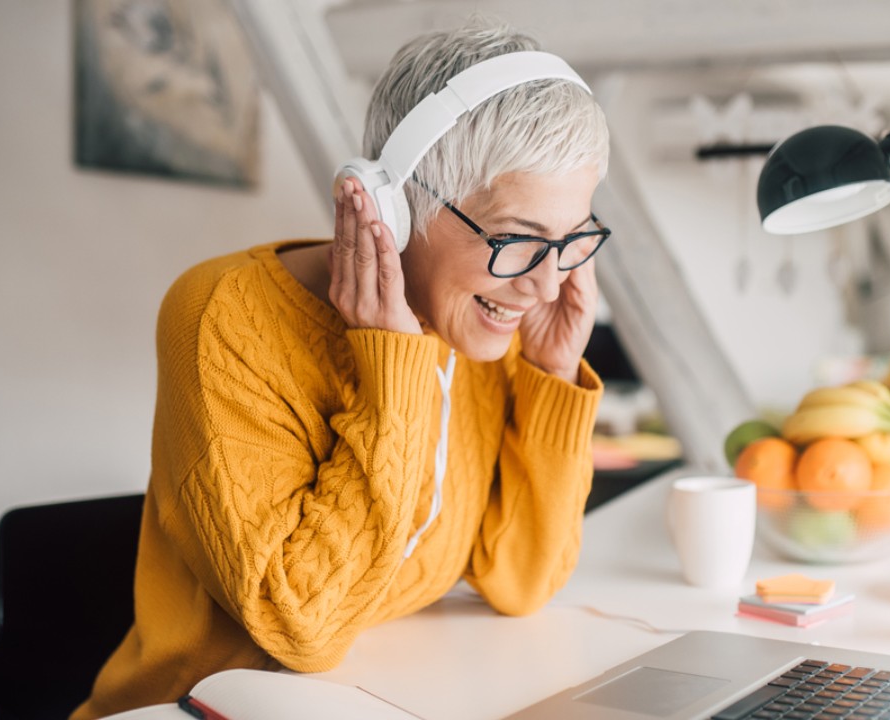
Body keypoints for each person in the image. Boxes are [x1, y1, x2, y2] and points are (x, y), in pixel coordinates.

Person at [71, 20, 611, 719]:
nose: (544, 286)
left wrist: (551, 373)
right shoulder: (219, 315)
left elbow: (522, 580)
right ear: (396, 206)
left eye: (571, 241)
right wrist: (392, 369)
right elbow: (304, 628)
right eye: (516, 241)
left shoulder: (483, 324)